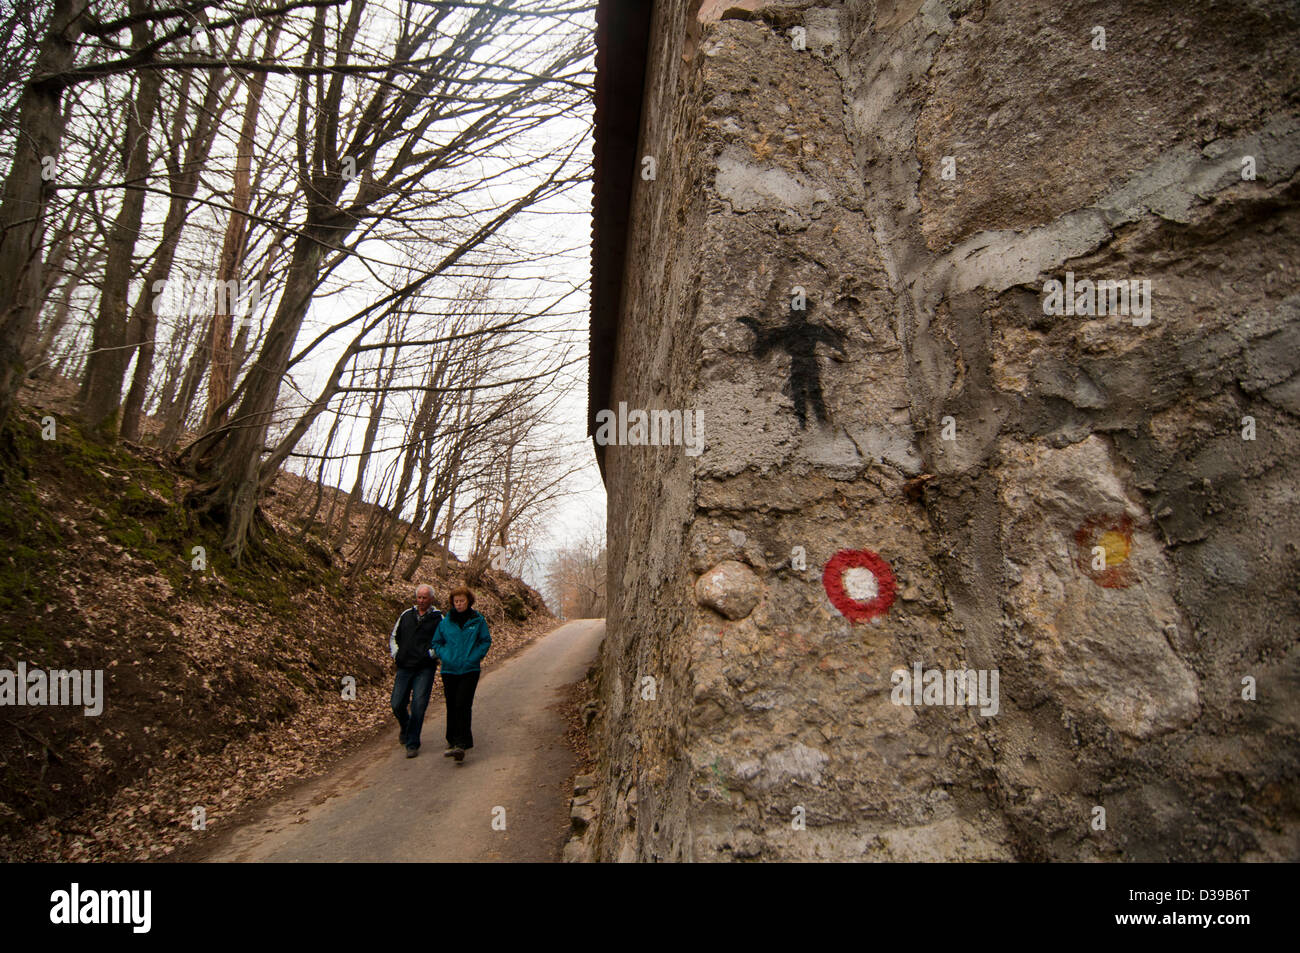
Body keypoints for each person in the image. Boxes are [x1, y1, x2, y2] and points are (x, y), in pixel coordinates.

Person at [432, 586, 491, 763]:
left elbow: (485, 641)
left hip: (469, 669)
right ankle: (451, 740)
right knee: (451, 704)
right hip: (449, 669)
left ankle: (462, 743)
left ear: (468, 601)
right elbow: (436, 642)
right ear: (452, 602)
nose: (459, 604)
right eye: (456, 601)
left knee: (463, 703)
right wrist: (445, 656)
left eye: (462, 601)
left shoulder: (477, 620)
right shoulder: (445, 622)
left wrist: (474, 657)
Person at [389, 584, 442, 758]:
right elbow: (394, 636)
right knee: (397, 704)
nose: (421, 600)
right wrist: (396, 654)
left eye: (424, 597)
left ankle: (412, 743)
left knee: (418, 705)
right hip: (404, 666)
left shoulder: (438, 618)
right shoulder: (406, 615)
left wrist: (430, 655)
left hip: (424, 668)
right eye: (419, 597)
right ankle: (406, 726)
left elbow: (442, 641)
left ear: (431, 599)